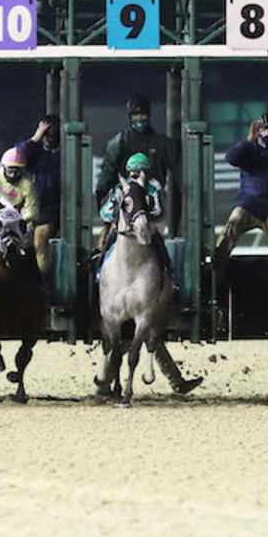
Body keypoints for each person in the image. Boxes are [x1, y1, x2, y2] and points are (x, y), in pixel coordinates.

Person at [99, 152, 201, 394]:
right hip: (123, 230)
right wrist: (118, 214)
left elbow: (160, 212)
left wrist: (143, 214)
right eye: (133, 171)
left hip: (147, 231)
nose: (136, 175)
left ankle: (166, 272)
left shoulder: (154, 188)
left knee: (159, 246)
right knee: (106, 243)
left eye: (139, 171)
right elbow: (105, 211)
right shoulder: (119, 189)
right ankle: (98, 271)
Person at [213, 112, 268, 299]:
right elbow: (231, 158)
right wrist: (248, 140)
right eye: (263, 129)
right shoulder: (250, 150)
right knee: (227, 235)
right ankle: (213, 281)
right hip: (248, 205)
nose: (267, 133)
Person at [94, 94, 182, 227]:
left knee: (157, 239)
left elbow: (179, 171)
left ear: (149, 116)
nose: (139, 119)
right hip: (126, 200)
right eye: (136, 115)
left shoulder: (162, 143)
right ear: (130, 117)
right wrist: (101, 193)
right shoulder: (120, 142)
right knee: (111, 238)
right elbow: (108, 170)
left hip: (152, 200)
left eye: (143, 115)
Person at [18, 114, 61, 274]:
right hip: (28, 209)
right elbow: (18, 156)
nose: (50, 140)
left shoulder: (63, 155)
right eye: (47, 136)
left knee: (40, 240)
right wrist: (36, 137)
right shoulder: (34, 150)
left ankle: (44, 280)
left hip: (51, 212)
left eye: (53, 137)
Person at [0, 146, 39, 225]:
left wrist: (20, 221)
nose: (12, 175)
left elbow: (32, 211)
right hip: (0, 209)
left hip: (20, 213)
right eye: (10, 171)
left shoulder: (27, 184)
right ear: (4, 168)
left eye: (16, 172)